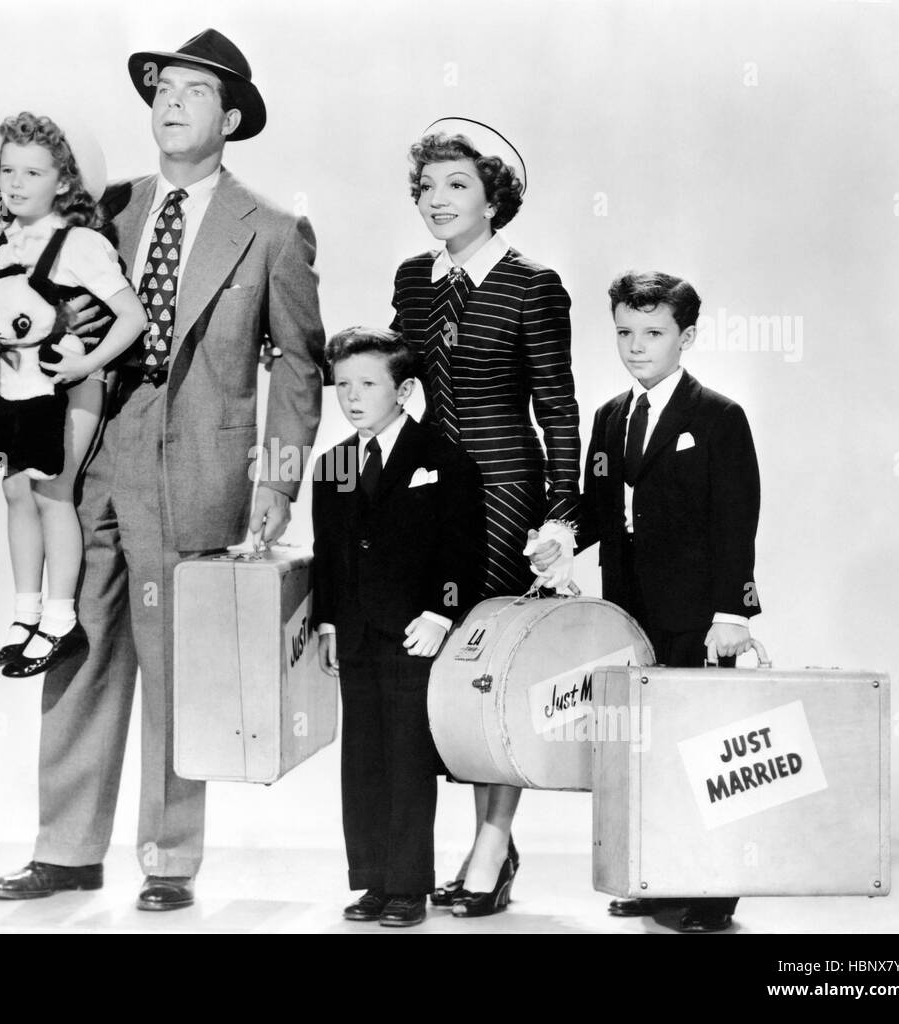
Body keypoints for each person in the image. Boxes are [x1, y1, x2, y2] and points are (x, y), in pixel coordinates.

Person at [0, 29, 325, 910]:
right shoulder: (105, 208)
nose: (170, 103)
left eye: (194, 92)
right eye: (162, 88)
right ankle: (64, 849)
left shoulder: (275, 233)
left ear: (232, 116)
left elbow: (297, 365)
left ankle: (168, 861)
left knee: (181, 667)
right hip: (89, 455)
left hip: (201, 476)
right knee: (75, 645)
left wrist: (277, 484)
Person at [390, 120, 581, 917]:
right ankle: (428, 851)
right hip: (433, 493)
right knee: (432, 664)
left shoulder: (532, 283)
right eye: (427, 187)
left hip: (505, 491)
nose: (438, 200)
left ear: (494, 196)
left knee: (490, 669)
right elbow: (397, 385)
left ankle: (491, 846)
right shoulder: (412, 278)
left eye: (457, 185)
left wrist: (563, 519)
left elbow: (558, 408)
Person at [541, 270, 761, 933]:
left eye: (654, 333)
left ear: (686, 337)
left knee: (700, 748)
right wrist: (562, 536)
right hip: (629, 609)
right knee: (641, 749)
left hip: (697, 611)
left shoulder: (718, 417)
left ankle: (709, 893)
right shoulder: (611, 418)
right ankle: (655, 880)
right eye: (625, 333)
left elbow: (737, 519)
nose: (637, 347)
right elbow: (602, 511)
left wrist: (733, 614)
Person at [0, 112, 147, 678]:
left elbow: (130, 317)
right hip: (12, 389)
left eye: (32, 172)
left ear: (64, 182)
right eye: (7, 170)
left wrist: (86, 362)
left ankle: (60, 620)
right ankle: (24, 614)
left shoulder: (80, 244)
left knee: (52, 493)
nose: (14, 183)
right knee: (15, 492)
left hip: (69, 387)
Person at [311, 327, 484, 928]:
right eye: (342, 386)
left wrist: (441, 613)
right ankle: (373, 881)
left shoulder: (443, 458)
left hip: (414, 632)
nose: (352, 397)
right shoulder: (332, 464)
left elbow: (463, 549)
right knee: (362, 758)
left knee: (408, 757)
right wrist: (328, 622)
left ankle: (409, 884)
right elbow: (328, 552)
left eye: (367, 384)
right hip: (354, 634)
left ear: (404, 389)